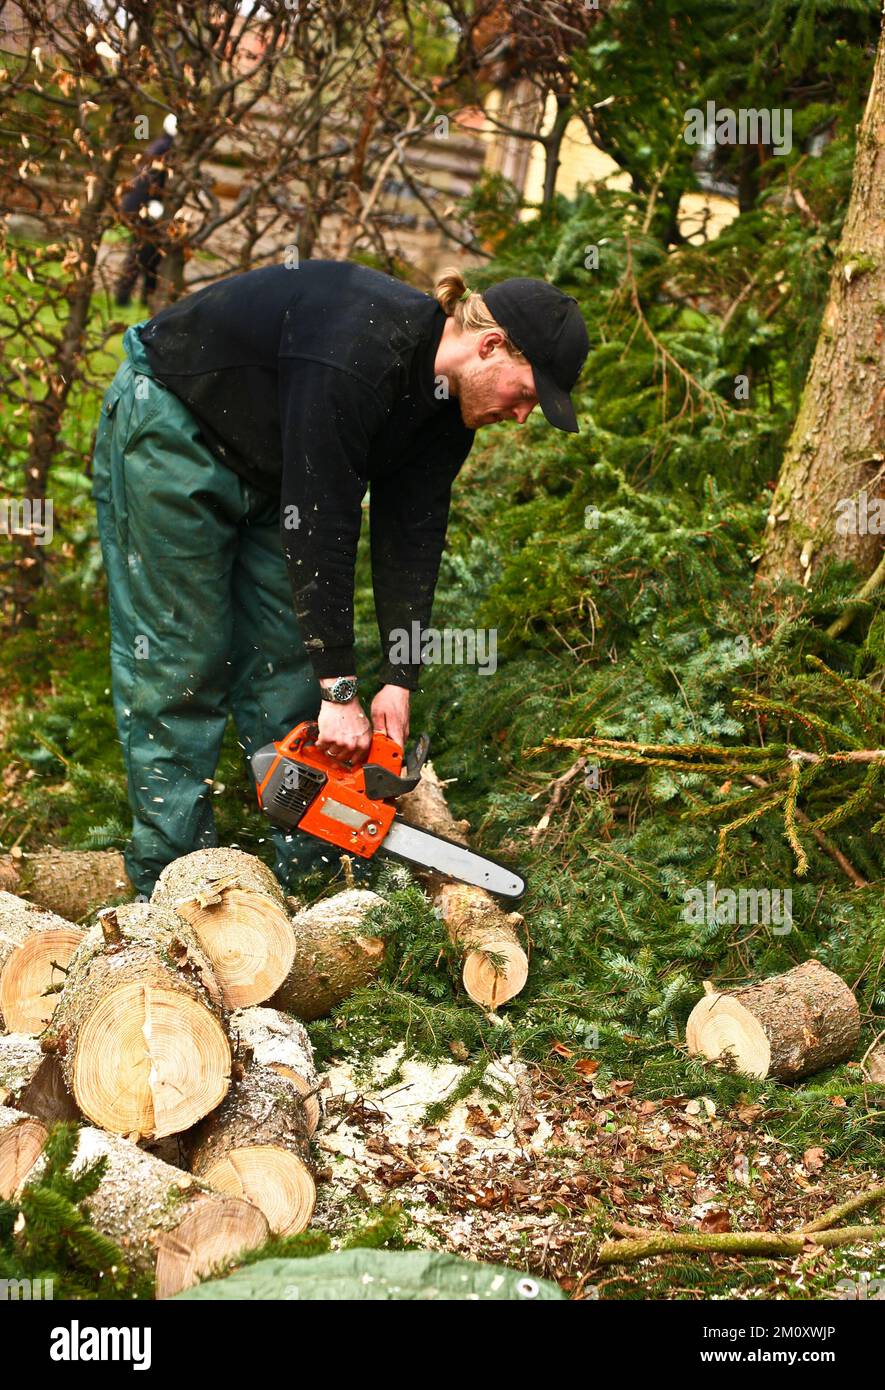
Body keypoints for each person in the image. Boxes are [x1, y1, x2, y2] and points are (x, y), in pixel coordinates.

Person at [89, 259, 589, 897]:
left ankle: (320, 886)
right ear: (489, 346)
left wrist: (397, 682)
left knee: (287, 666)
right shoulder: (360, 353)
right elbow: (323, 526)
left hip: (273, 470)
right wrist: (342, 688)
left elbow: (411, 536)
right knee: (180, 661)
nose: (522, 416)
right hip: (176, 425)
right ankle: (173, 886)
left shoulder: (449, 410)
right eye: (526, 393)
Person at [114, 114, 177, 308]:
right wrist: (151, 206)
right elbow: (148, 183)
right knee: (142, 253)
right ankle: (124, 297)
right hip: (145, 208)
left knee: (152, 253)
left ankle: (145, 299)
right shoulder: (164, 150)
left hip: (145, 207)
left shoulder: (162, 146)